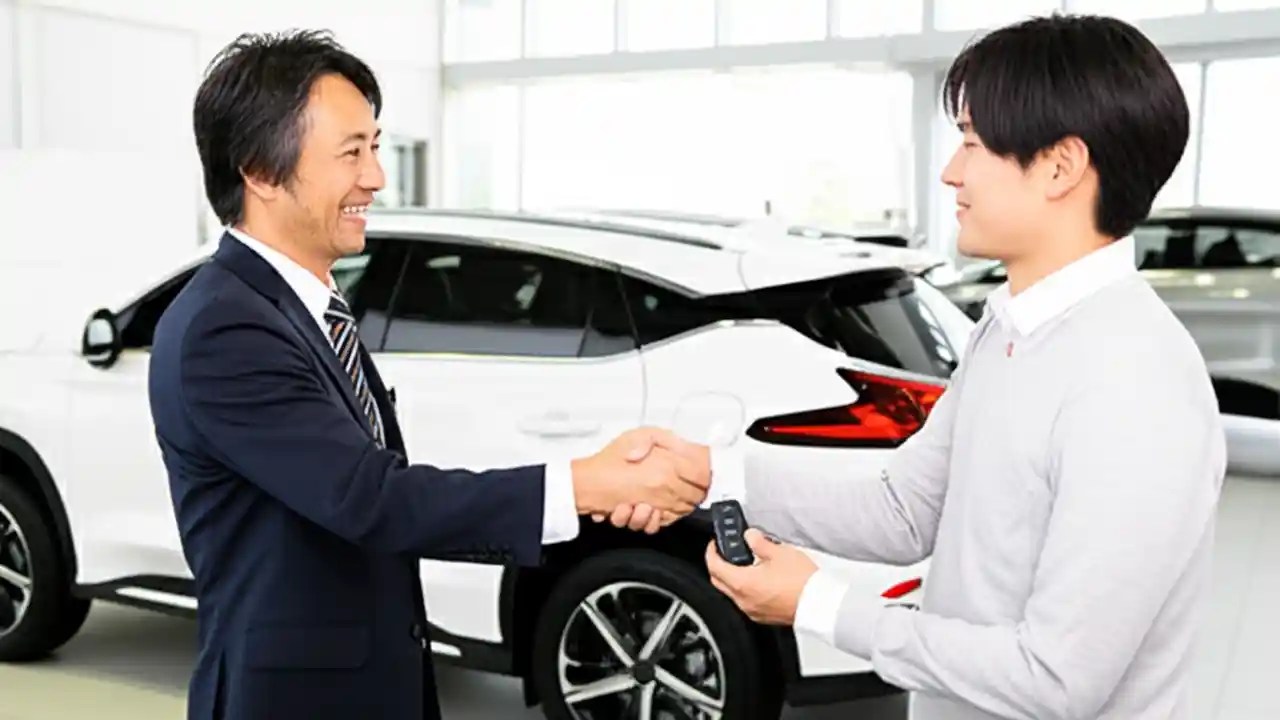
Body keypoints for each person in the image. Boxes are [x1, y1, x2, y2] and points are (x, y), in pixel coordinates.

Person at [617, 13, 1227, 720]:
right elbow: (905, 510)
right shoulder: (1010, 328)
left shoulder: (1136, 382)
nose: (951, 172)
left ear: (1060, 166)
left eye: (973, 142)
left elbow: (1056, 678)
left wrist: (820, 604)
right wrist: (711, 473)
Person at [148, 30, 712, 720]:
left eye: (375, 147)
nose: (376, 178)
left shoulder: (303, 305)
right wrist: (588, 484)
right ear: (261, 172)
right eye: (351, 153)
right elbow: (371, 499)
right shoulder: (223, 329)